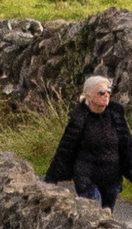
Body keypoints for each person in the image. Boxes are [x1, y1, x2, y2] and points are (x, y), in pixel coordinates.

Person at [47, 74, 132, 209]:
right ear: (89, 96)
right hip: (87, 176)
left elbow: (126, 146)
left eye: (108, 92)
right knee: (93, 211)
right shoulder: (80, 117)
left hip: (112, 177)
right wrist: (51, 179)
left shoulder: (116, 113)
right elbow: (66, 148)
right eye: (101, 92)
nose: (106, 95)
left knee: (108, 218)